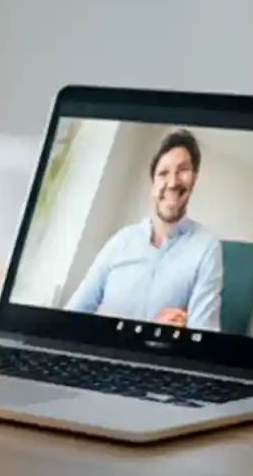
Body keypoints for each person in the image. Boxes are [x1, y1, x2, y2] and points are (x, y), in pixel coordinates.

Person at [63, 129, 224, 331]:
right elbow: (72, 315)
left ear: (195, 178)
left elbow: (204, 335)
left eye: (183, 170)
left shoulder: (207, 247)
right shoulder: (121, 241)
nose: (173, 183)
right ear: (153, 183)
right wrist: (154, 329)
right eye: (163, 173)